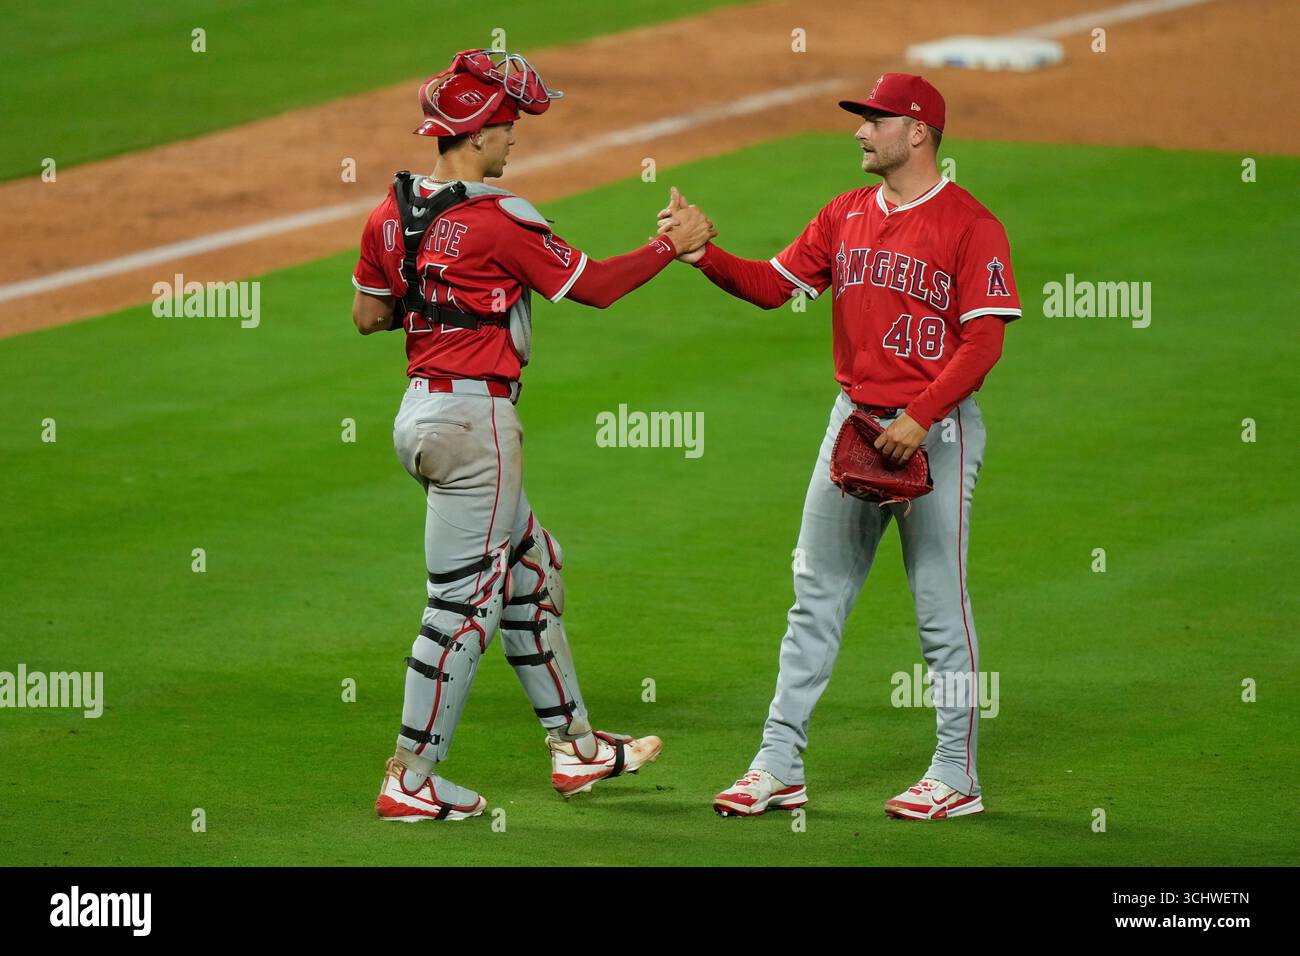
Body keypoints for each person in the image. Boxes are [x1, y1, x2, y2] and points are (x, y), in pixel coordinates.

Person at [351, 49, 716, 821]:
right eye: (507, 128)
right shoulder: (497, 218)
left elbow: (369, 316)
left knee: (533, 569)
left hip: (420, 412)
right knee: (460, 609)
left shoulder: (389, 213)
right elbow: (597, 288)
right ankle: (411, 778)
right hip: (476, 424)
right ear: (476, 133)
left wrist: (437, 298)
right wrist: (671, 246)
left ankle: (575, 747)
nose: (512, 140)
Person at [661, 73, 1020, 820]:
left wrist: (920, 416)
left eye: (875, 120)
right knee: (813, 600)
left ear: (917, 132)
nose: (859, 131)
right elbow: (771, 286)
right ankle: (777, 764)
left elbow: (983, 340)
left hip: (937, 433)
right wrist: (703, 256)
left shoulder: (969, 223)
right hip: (854, 425)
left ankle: (956, 774)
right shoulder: (845, 213)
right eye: (861, 120)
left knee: (938, 610)